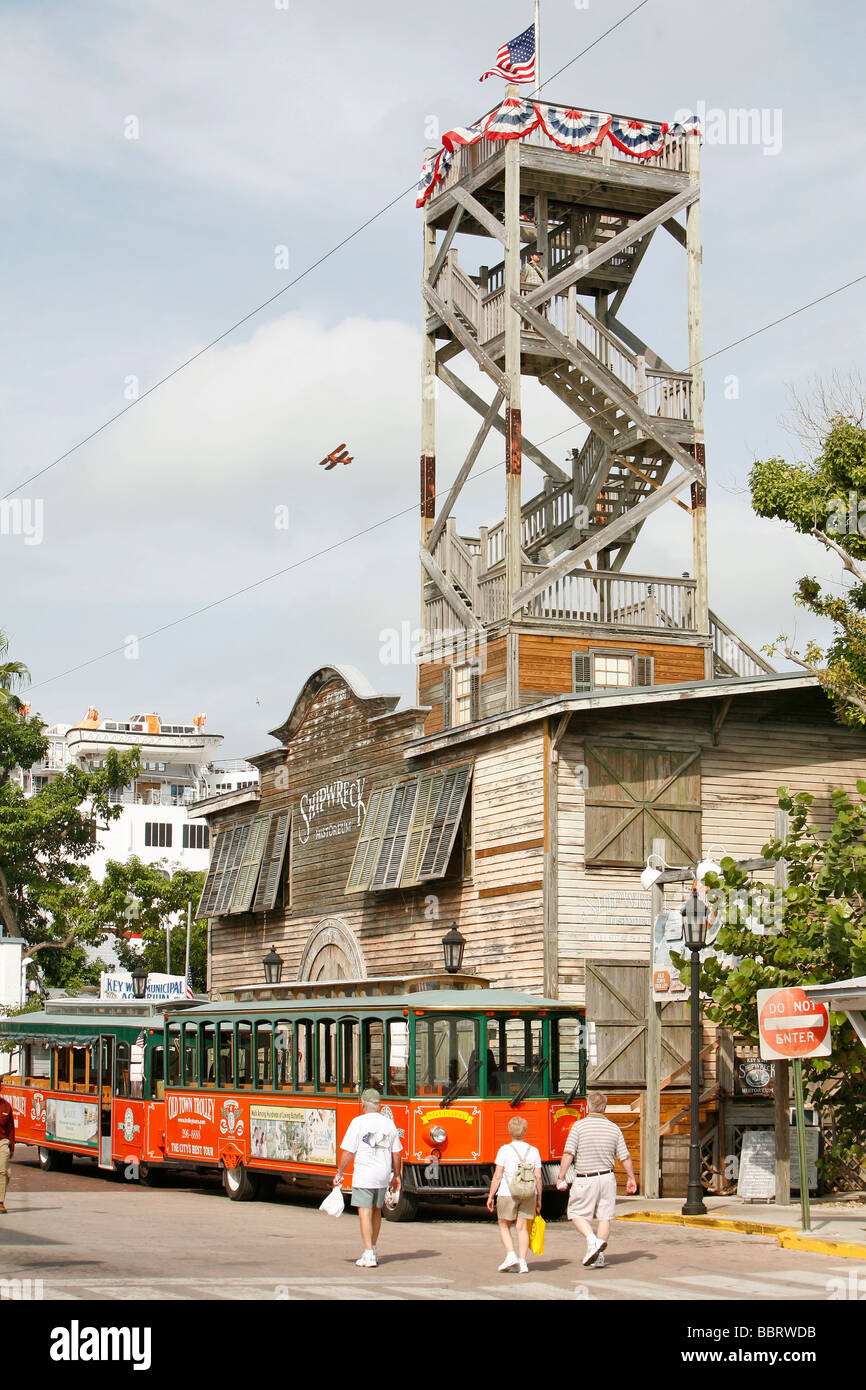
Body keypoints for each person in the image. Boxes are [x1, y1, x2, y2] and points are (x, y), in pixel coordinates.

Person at [556, 1091, 637, 1268]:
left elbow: (569, 1153)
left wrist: (561, 1176)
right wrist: (631, 1177)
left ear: (588, 1106)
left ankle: (592, 1240)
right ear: (605, 1108)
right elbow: (624, 1156)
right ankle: (599, 1256)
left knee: (575, 1213)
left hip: (585, 1177)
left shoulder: (578, 1127)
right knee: (604, 1217)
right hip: (607, 1177)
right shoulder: (614, 1128)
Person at [332, 1088, 402, 1269]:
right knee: (376, 1210)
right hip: (382, 1174)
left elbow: (348, 1152)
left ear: (362, 1104)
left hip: (364, 1174)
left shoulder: (358, 1122)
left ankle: (368, 1253)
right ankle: (373, 1248)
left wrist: (340, 1172)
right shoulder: (389, 1124)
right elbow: (396, 1153)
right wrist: (397, 1175)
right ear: (379, 1105)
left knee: (364, 1211)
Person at [486, 1115, 542, 1274]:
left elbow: (497, 1176)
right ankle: (523, 1262)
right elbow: (538, 1177)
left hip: (507, 1192)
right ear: (525, 1131)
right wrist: (539, 1198)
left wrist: (491, 1196)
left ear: (509, 1131)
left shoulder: (504, 1150)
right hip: (529, 1193)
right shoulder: (534, 1151)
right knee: (522, 1227)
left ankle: (511, 1255)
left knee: (504, 1225)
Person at [0, 1090, 15, 1214]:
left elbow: (10, 1128)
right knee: (6, 1173)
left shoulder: (6, 1106)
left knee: (3, 1171)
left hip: (2, 1142)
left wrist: (12, 1146)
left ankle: (0, 1202)